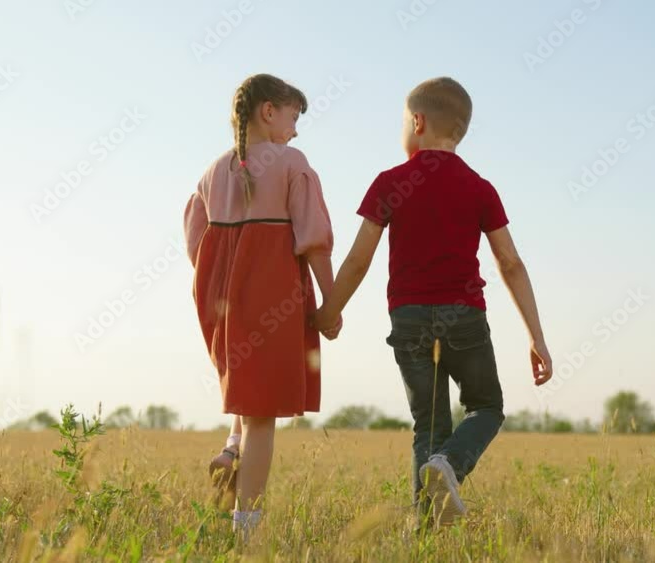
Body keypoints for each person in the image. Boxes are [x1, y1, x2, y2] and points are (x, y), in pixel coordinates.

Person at [315, 77, 553, 527]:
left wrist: (331, 310)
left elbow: (359, 260)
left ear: (418, 122)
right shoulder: (480, 187)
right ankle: (450, 466)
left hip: (407, 320)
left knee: (428, 426)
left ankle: (427, 532)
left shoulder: (390, 182)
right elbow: (510, 263)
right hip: (464, 317)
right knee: (486, 407)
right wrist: (536, 337)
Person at [184, 73, 340, 542]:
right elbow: (314, 241)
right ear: (268, 112)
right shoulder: (292, 163)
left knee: (248, 396)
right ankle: (246, 531)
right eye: (293, 117)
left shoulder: (213, 171)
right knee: (264, 414)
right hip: (271, 292)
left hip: (220, 299)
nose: (295, 130)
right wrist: (331, 302)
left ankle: (231, 450)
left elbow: (196, 243)